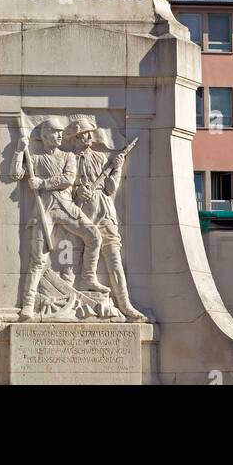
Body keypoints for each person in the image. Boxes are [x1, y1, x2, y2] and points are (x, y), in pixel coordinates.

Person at [11, 118, 104, 321]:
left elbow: (68, 179)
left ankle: (88, 277)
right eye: (55, 132)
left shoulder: (68, 156)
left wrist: (42, 183)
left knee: (94, 236)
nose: (60, 136)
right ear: (44, 135)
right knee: (38, 260)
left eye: (61, 132)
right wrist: (20, 150)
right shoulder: (34, 158)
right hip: (44, 212)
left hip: (67, 207)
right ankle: (28, 304)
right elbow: (16, 173)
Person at [66, 117, 146, 321]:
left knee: (113, 256)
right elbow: (61, 188)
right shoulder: (67, 158)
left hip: (103, 208)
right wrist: (77, 192)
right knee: (71, 254)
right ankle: (74, 293)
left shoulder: (101, 158)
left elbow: (110, 189)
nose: (90, 136)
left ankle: (125, 303)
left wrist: (117, 167)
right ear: (76, 137)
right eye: (85, 133)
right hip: (79, 210)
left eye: (90, 133)